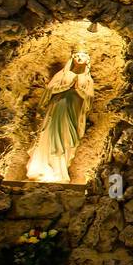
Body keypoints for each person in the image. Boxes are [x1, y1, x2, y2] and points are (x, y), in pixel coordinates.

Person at [26, 49, 96, 183]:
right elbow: (49, 90)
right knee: (50, 136)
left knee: (66, 139)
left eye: (83, 56)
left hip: (73, 113)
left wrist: (78, 90)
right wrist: (66, 87)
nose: (80, 58)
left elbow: (89, 99)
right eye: (78, 55)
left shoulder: (87, 79)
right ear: (73, 58)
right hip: (57, 108)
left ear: (88, 61)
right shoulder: (63, 74)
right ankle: (42, 168)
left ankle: (59, 171)